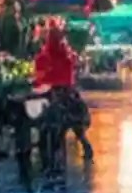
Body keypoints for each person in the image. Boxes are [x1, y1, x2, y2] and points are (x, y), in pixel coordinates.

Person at [32, 24, 93, 161]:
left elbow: (40, 76)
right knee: (76, 126)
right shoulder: (67, 55)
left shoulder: (44, 56)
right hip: (67, 93)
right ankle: (85, 146)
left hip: (50, 94)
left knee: (46, 123)